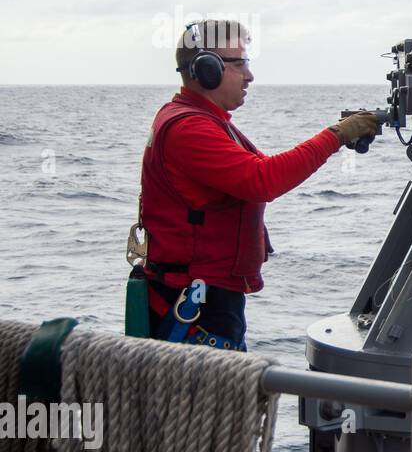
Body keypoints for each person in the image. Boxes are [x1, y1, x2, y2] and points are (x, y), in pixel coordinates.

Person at [132, 19, 377, 350]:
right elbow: (264, 180)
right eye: (240, 63)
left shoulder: (207, 122)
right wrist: (337, 135)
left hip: (204, 300)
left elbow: (264, 170)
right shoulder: (189, 129)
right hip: (193, 308)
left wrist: (338, 132)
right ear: (207, 69)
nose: (249, 75)